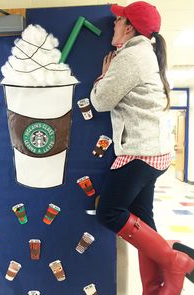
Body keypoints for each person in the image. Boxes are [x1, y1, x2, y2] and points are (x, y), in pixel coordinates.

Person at [90, 1, 194, 295]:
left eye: (118, 20)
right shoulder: (143, 54)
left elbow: (101, 101)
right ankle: (154, 289)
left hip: (140, 151)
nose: (114, 24)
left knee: (109, 213)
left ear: (130, 27)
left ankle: (175, 261)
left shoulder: (131, 56)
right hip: (155, 153)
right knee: (142, 219)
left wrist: (102, 78)